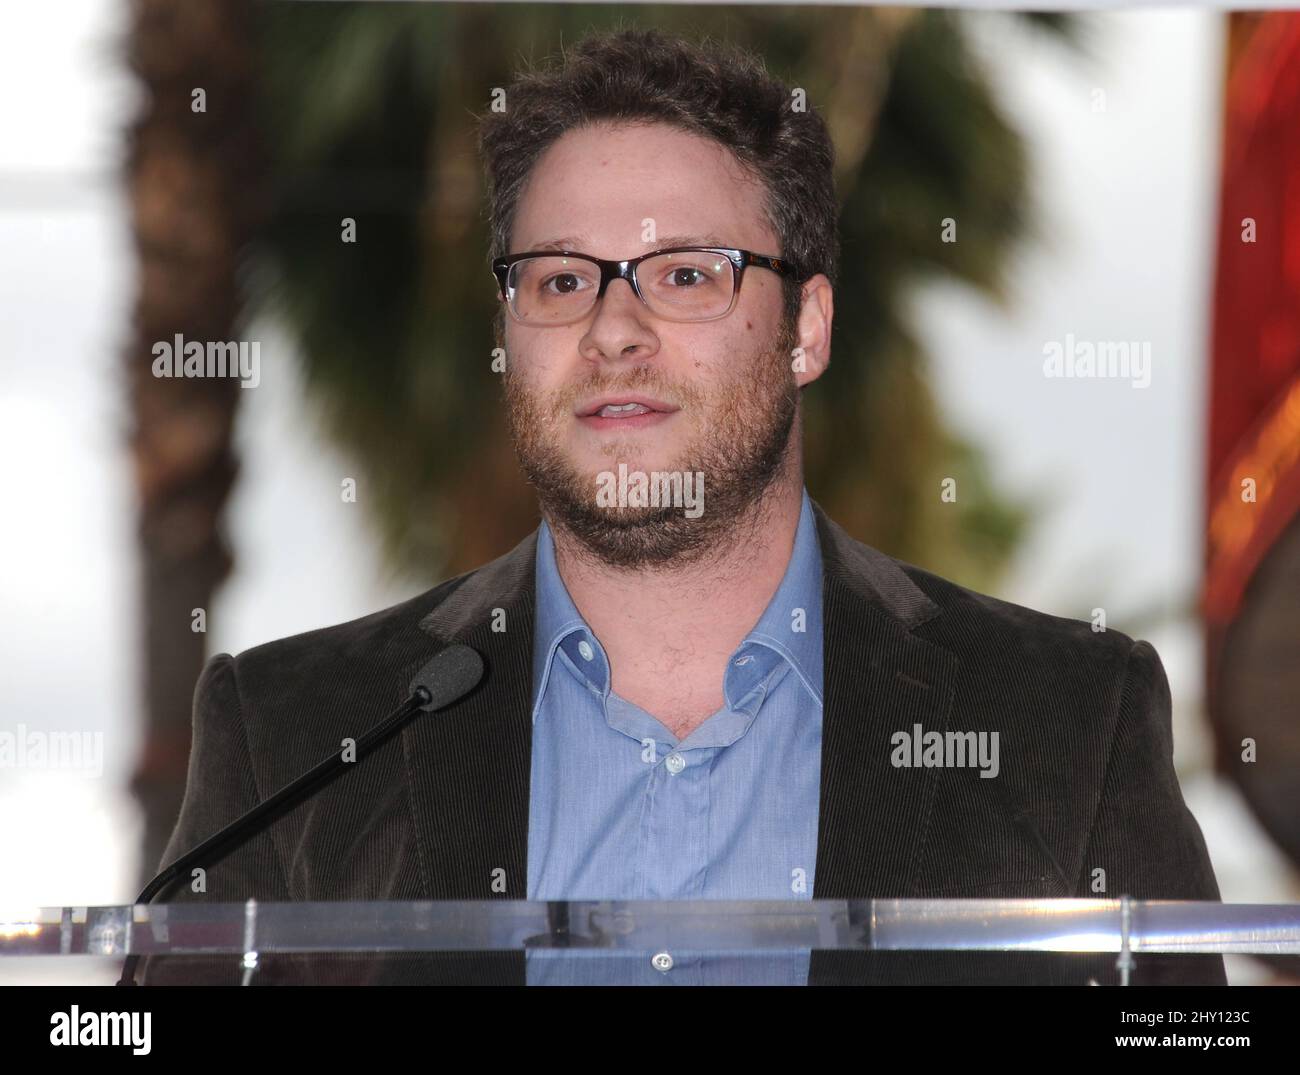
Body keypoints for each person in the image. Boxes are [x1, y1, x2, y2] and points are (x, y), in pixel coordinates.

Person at [142, 27, 1225, 986]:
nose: (613, 330)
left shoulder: (1066, 723)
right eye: (561, 280)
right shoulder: (295, 738)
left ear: (806, 328)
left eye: (685, 275)